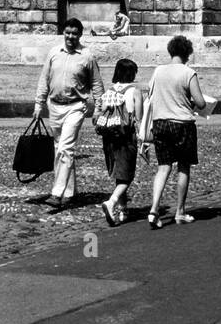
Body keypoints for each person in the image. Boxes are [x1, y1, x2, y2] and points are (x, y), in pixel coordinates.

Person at [33, 18, 104, 212]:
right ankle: (70, 193)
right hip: (54, 107)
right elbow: (44, 79)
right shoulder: (54, 53)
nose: (70, 36)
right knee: (61, 150)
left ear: (80, 35)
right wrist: (39, 104)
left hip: (76, 106)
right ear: (63, 33)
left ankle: (57, 192)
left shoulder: (87, 56)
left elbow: (97, 84)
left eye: (74, 33)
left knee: (65, 148)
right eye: (67, 33)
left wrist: (98, 108)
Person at [145, 35, 206, 228]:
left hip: (160, 123)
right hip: (181, 123)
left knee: (163, 167)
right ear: (187, 53)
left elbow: (150, 94)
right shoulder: (188, 72)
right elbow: (201, 102)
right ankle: (180, 211)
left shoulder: (158, 71)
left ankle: (154, 209)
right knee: (183, 167)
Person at [95, 58, 143, 226]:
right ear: (132, 73)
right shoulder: (135, 91)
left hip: (108, 137)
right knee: (127, 175)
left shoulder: (109, 91)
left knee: (118, 174)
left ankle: (123, 211)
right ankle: (112, 202)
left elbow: (101, 112)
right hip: (125, 136)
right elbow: (138, 118)